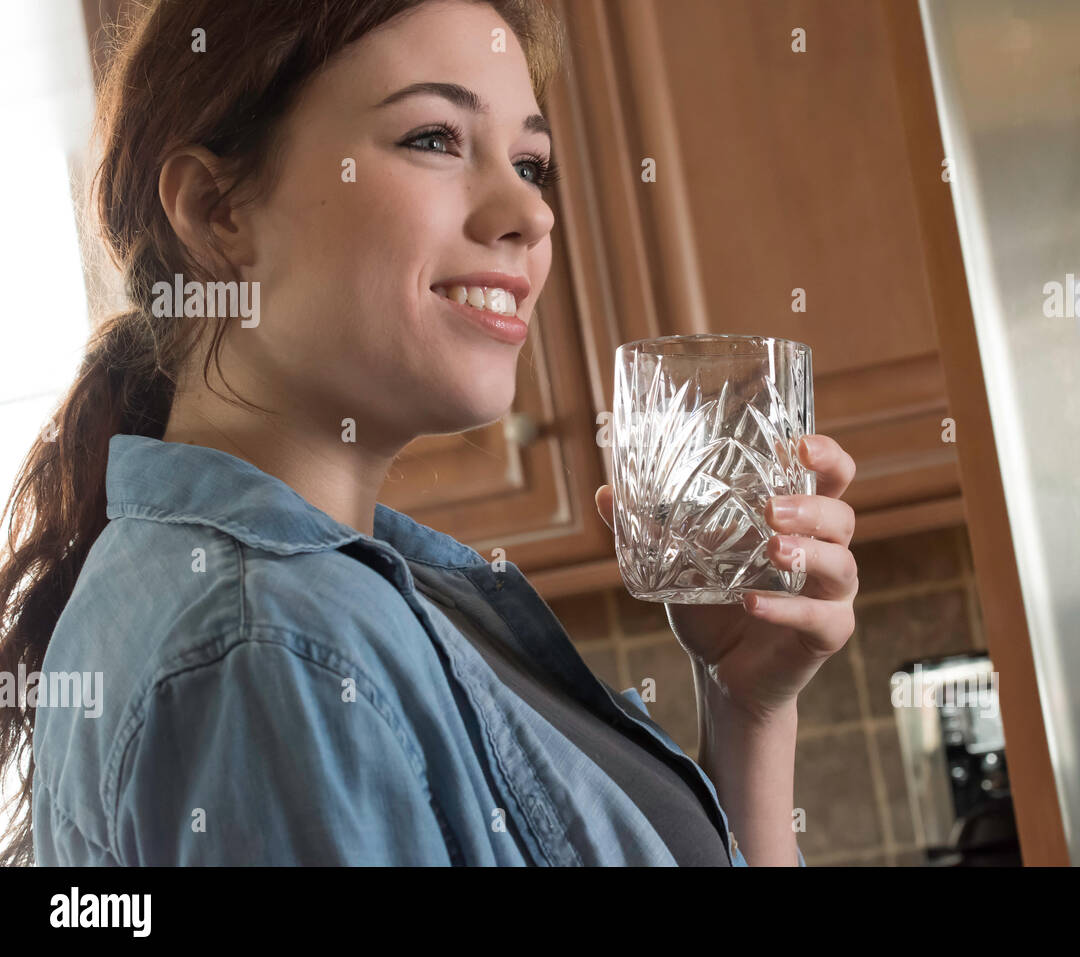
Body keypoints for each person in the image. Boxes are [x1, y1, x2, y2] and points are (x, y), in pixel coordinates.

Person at [0, 0, 859, 866]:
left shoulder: (376, 597)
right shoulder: (273, 647)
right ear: (217, 211)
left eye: (531, 161)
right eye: (435, 139)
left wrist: (745, 705)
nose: (530, 211)